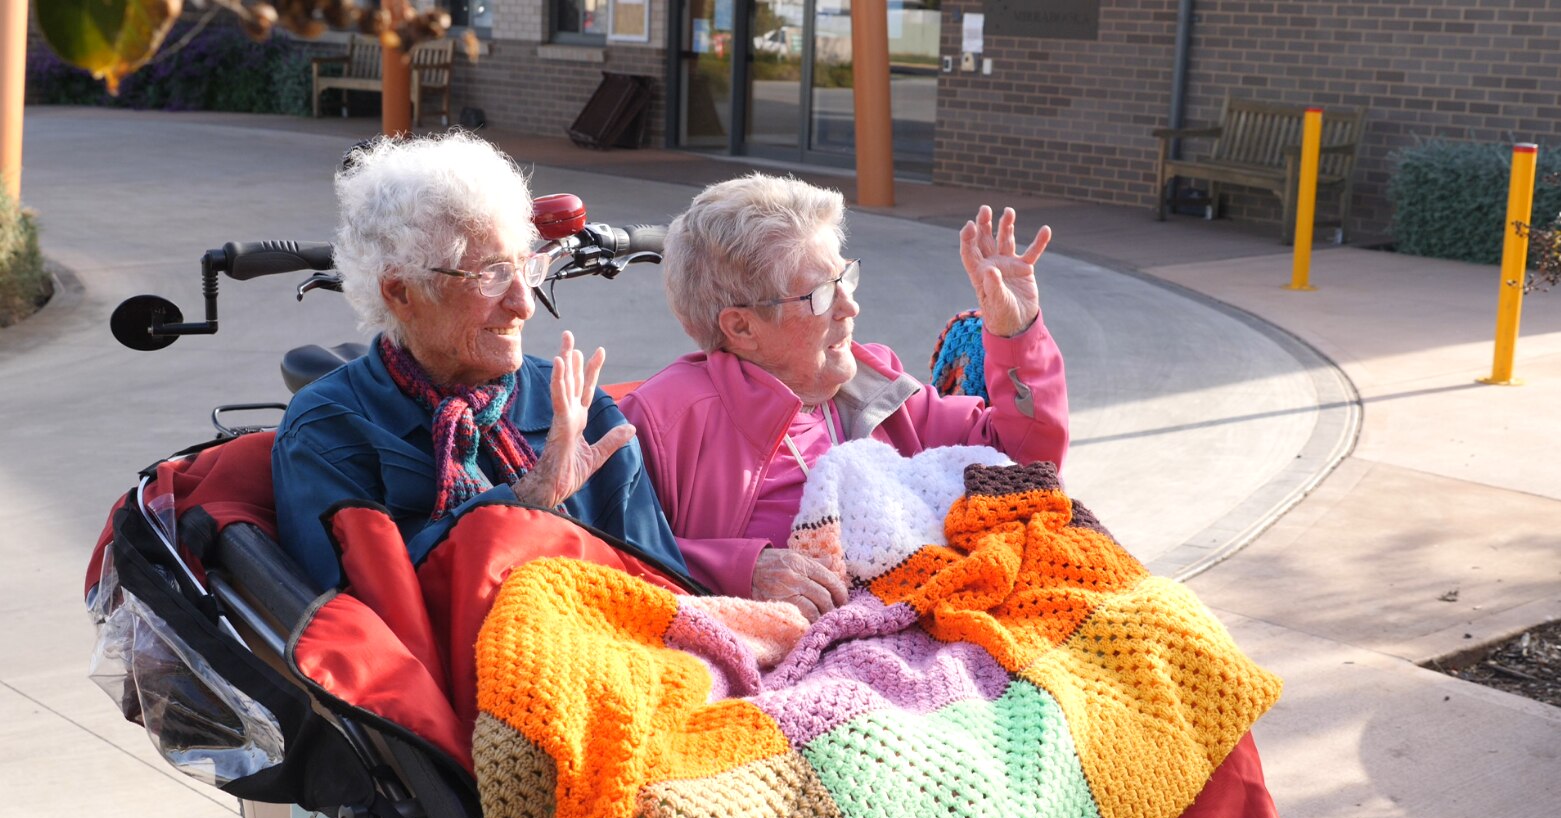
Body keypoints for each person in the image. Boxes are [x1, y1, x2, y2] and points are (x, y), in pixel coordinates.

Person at [618, 173, 1067, 617]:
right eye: (819, 295)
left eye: (844, 278)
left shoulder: (874, 385)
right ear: (741, 327)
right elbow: (608, 557)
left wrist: (1016, 334)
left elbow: (1025, 467)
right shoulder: (666, 418)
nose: (850, 306)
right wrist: (739, 570)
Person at [273, 132, 685, 590]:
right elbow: (367, 621)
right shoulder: (329, 431)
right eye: (491, 275)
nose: (524, 305)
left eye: (526, 267)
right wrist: (526, 502)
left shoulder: (578, 410)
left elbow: (666, 589)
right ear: (401, 291)